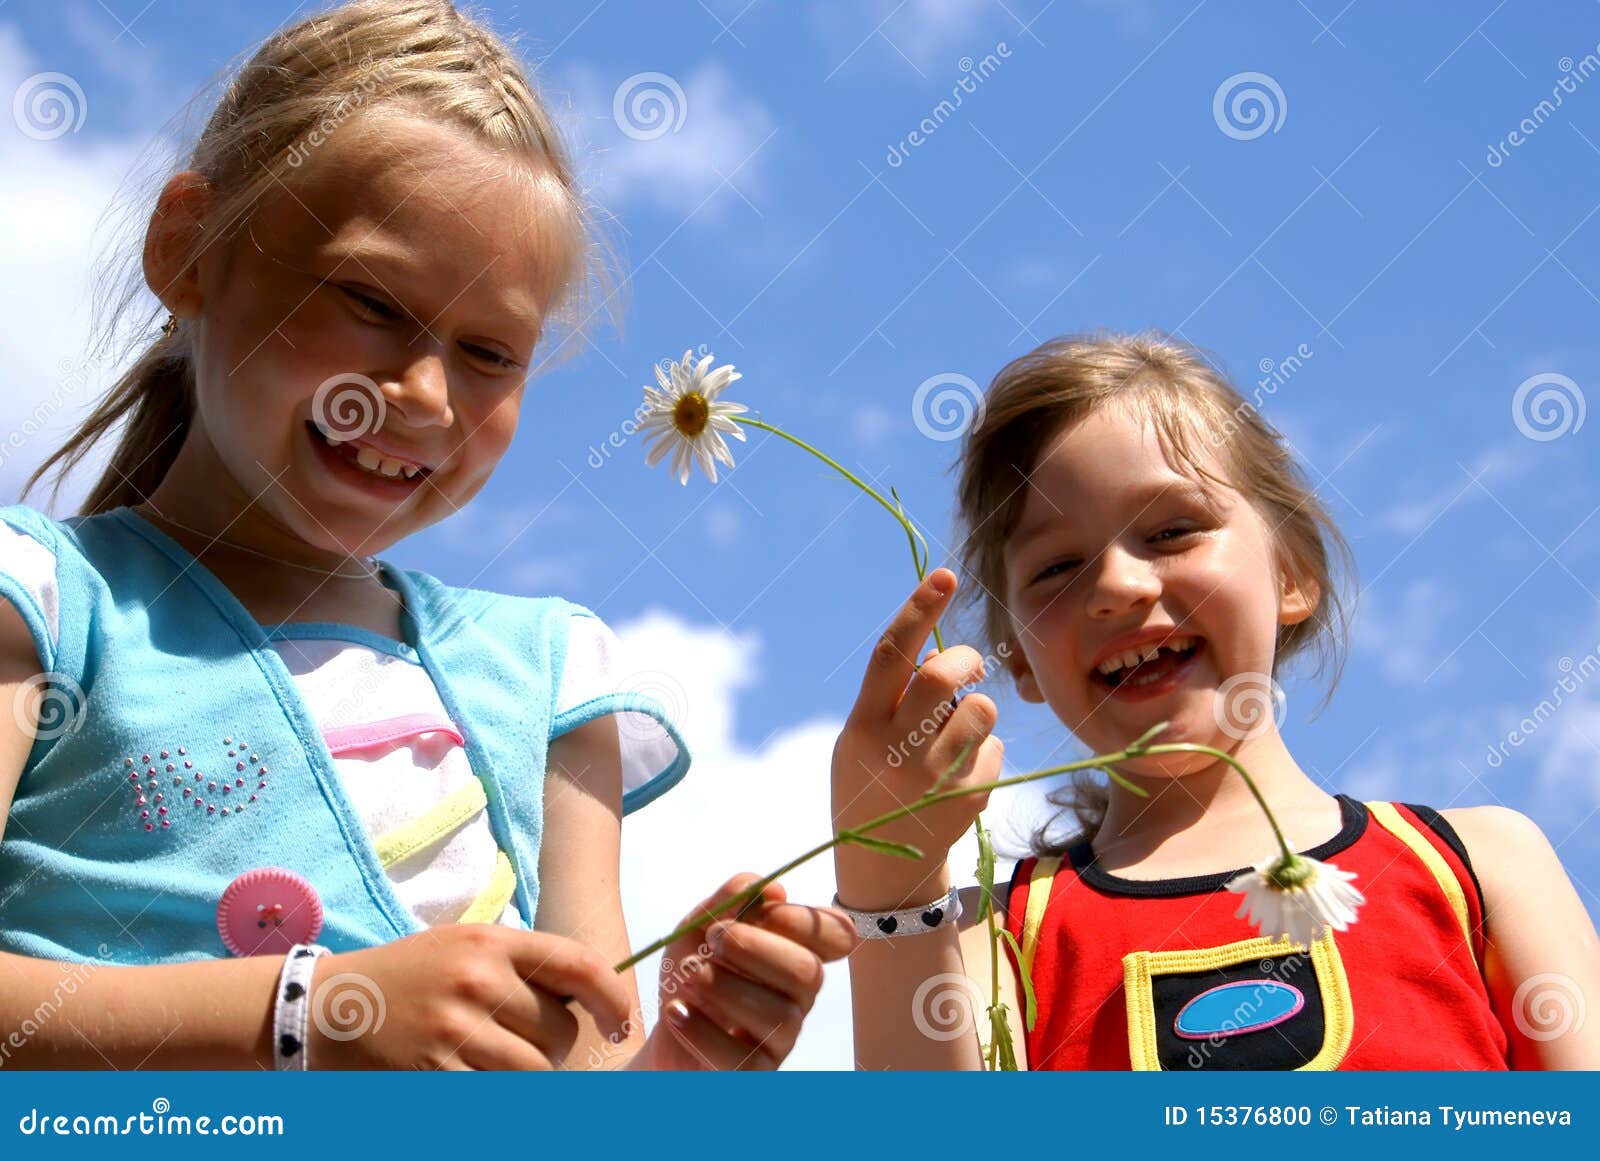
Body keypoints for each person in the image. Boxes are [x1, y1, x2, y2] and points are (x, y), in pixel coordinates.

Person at [0, 0, 854, 1071]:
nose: (423, 396)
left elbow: (588, 1099)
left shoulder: (547, 682)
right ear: (188, 251)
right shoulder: (39, 602)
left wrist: (688, 1047)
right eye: (369, 300)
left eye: (491, 353)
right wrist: (311, 1011)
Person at [830, 332, 1600, 1070]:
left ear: (1293, 573)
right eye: (1057, 566)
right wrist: (887, 878)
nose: (1119, 587)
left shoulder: (1476, 867)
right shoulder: (985, 941)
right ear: (1020, 660)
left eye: (1171, 531)